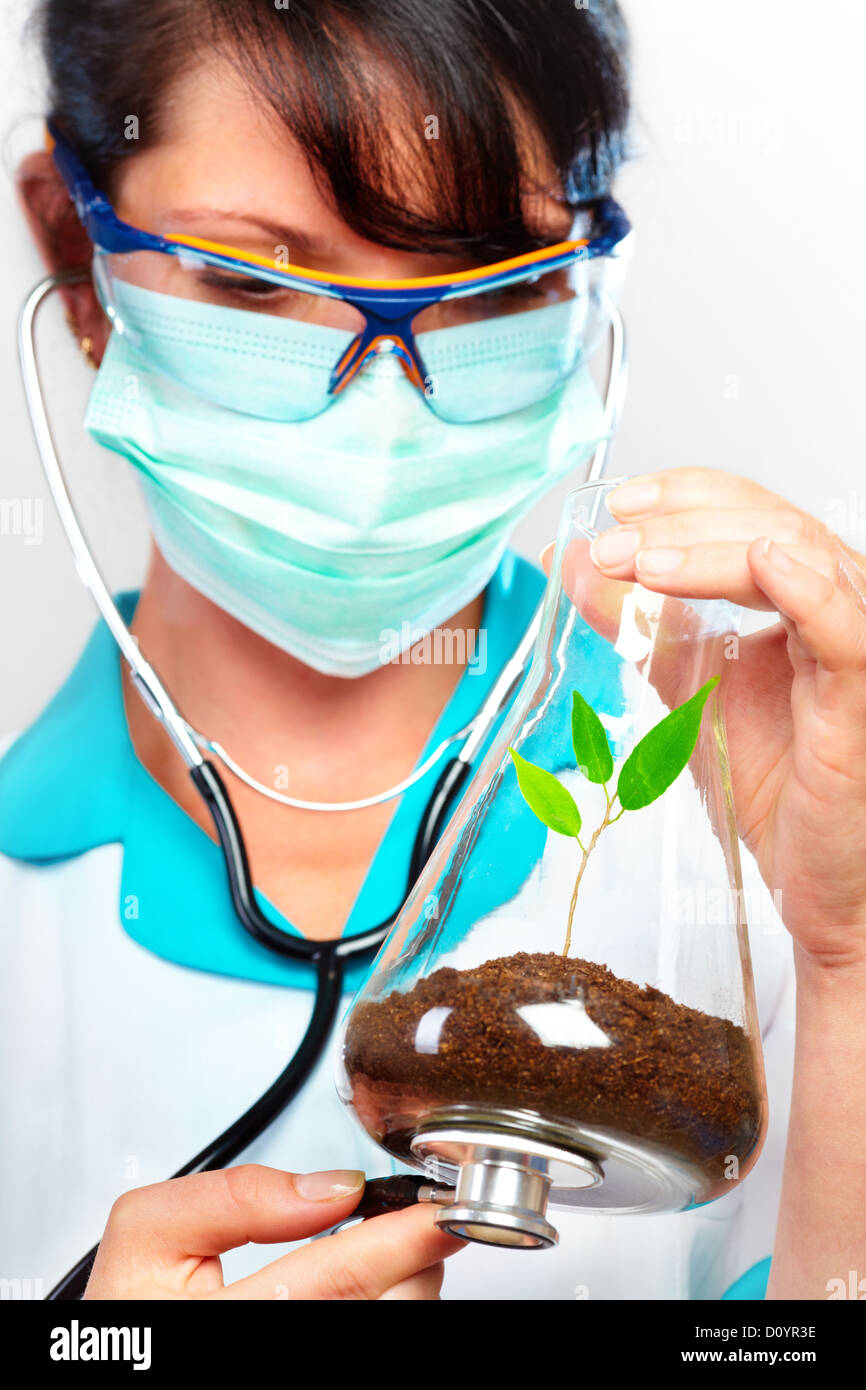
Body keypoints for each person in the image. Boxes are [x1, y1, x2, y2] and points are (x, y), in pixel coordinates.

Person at [1, 0, 864, 1301]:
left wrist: (849, 959)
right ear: (77, 247)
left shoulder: (763, 808)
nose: (383, 404)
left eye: (492, 284)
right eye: (254, 280)